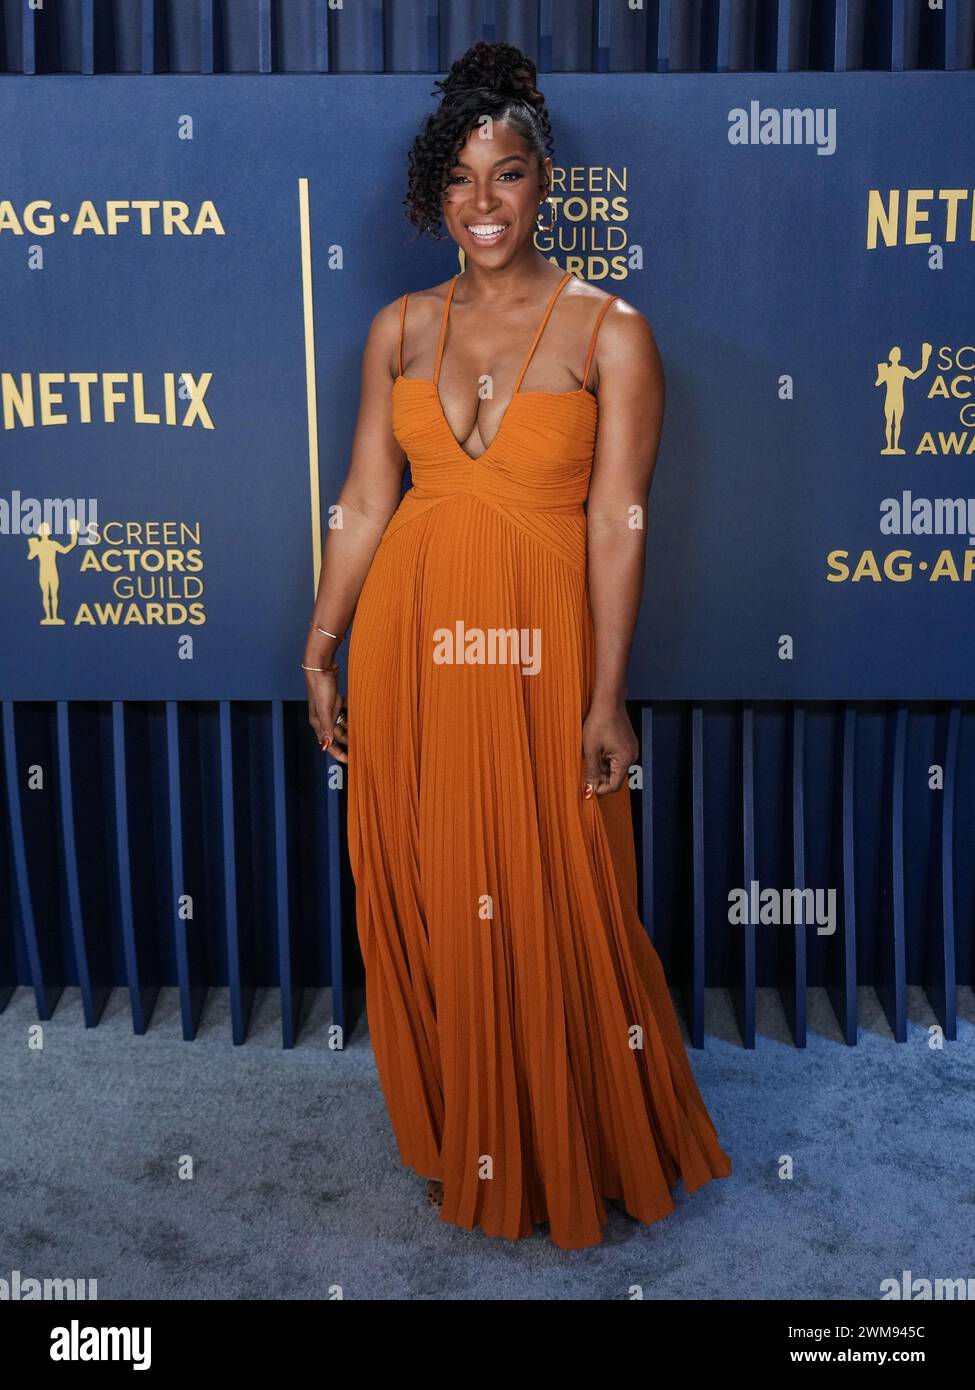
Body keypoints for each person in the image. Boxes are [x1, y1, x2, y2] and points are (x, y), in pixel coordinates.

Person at [303, 40, 732, 1250]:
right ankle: (460, 1132)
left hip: (544, 658)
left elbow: (616, 529)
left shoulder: (613, 335)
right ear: (431, 195)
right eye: (458, 180)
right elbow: (364, 503)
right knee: (438, 892)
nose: (481, 204)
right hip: (412, 646)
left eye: (504, 176)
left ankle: (573, 1139)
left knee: (559, 892)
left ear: (546, 184)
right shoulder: (397, 326)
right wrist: (322, 643)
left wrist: (607, 695)